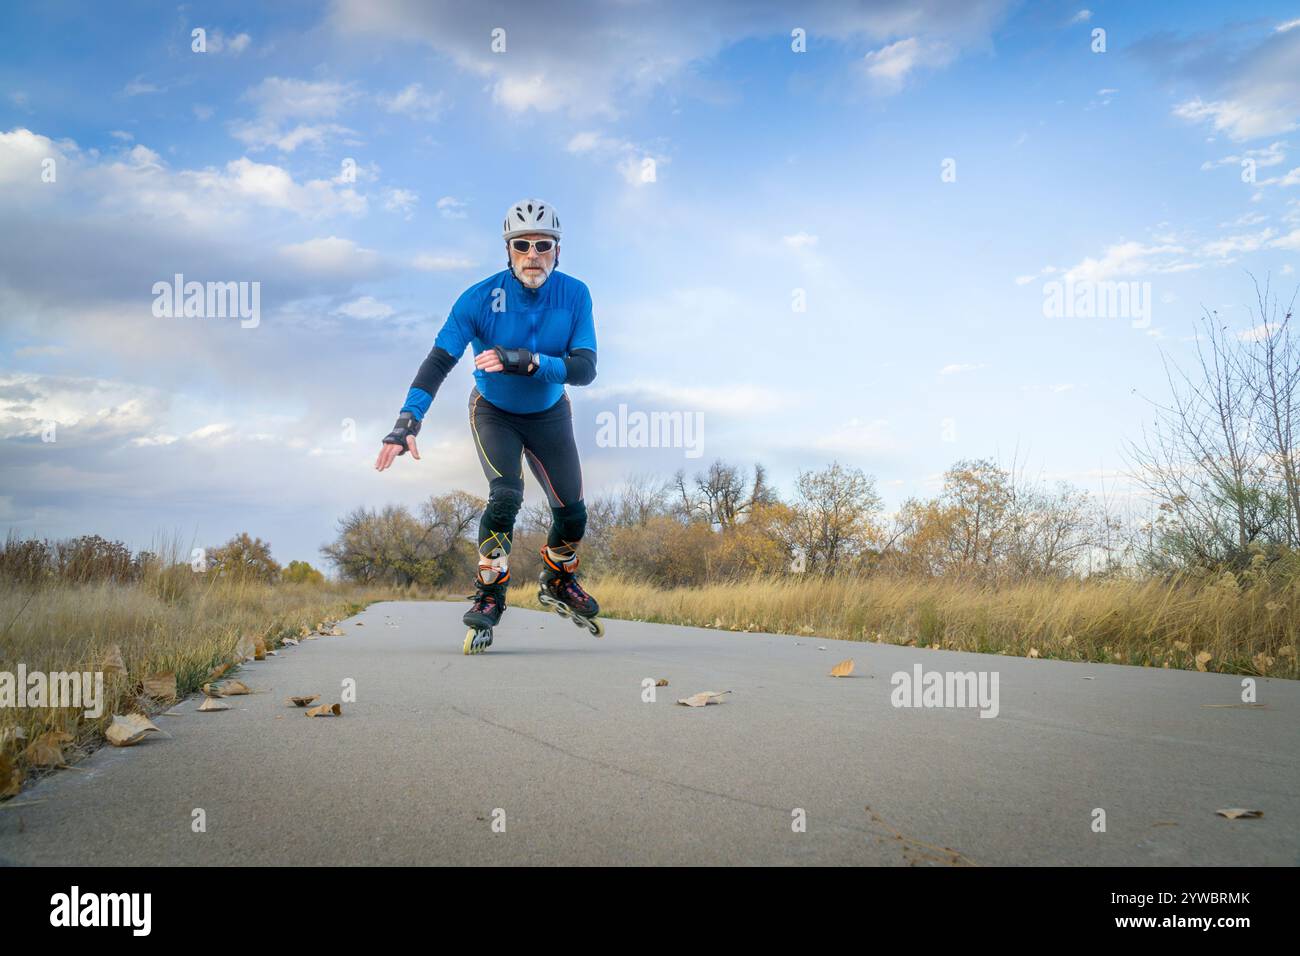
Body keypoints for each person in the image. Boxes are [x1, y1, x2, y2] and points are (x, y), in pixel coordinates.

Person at [374, 199, 600, 651]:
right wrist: (407, 420)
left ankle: (557, 578)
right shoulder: (478, 299)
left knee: (572, 513)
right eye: (522, 245)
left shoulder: (575, 294)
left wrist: (527, 361)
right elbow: (438, 361)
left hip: (551, 413)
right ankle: (491, 593)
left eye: (543, 245)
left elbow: (585, 368)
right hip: (493, 412)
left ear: (558, 250)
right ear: (508, 250)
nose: (532, 254)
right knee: (506, 497)